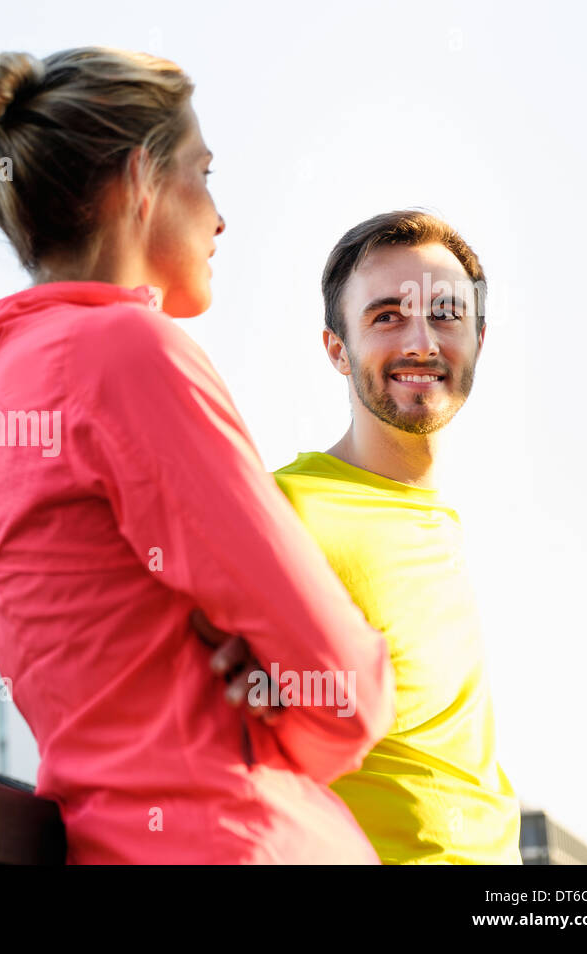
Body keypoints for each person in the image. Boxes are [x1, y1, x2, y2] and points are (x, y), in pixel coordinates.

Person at [0, 46, 394, 863]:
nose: (218, 214)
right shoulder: (126, 352)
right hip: (238, 837)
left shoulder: (3, 404)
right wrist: (277, 700)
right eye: (202, 171)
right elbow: (349, 689)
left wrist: (271, 685)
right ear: (140, 180)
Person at [196, 210, 521, 863]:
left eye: (446, 314)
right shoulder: (282, 510)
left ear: (479, 339)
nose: (422, 341)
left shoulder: (444, 521)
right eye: (387, 317)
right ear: (336, 349)